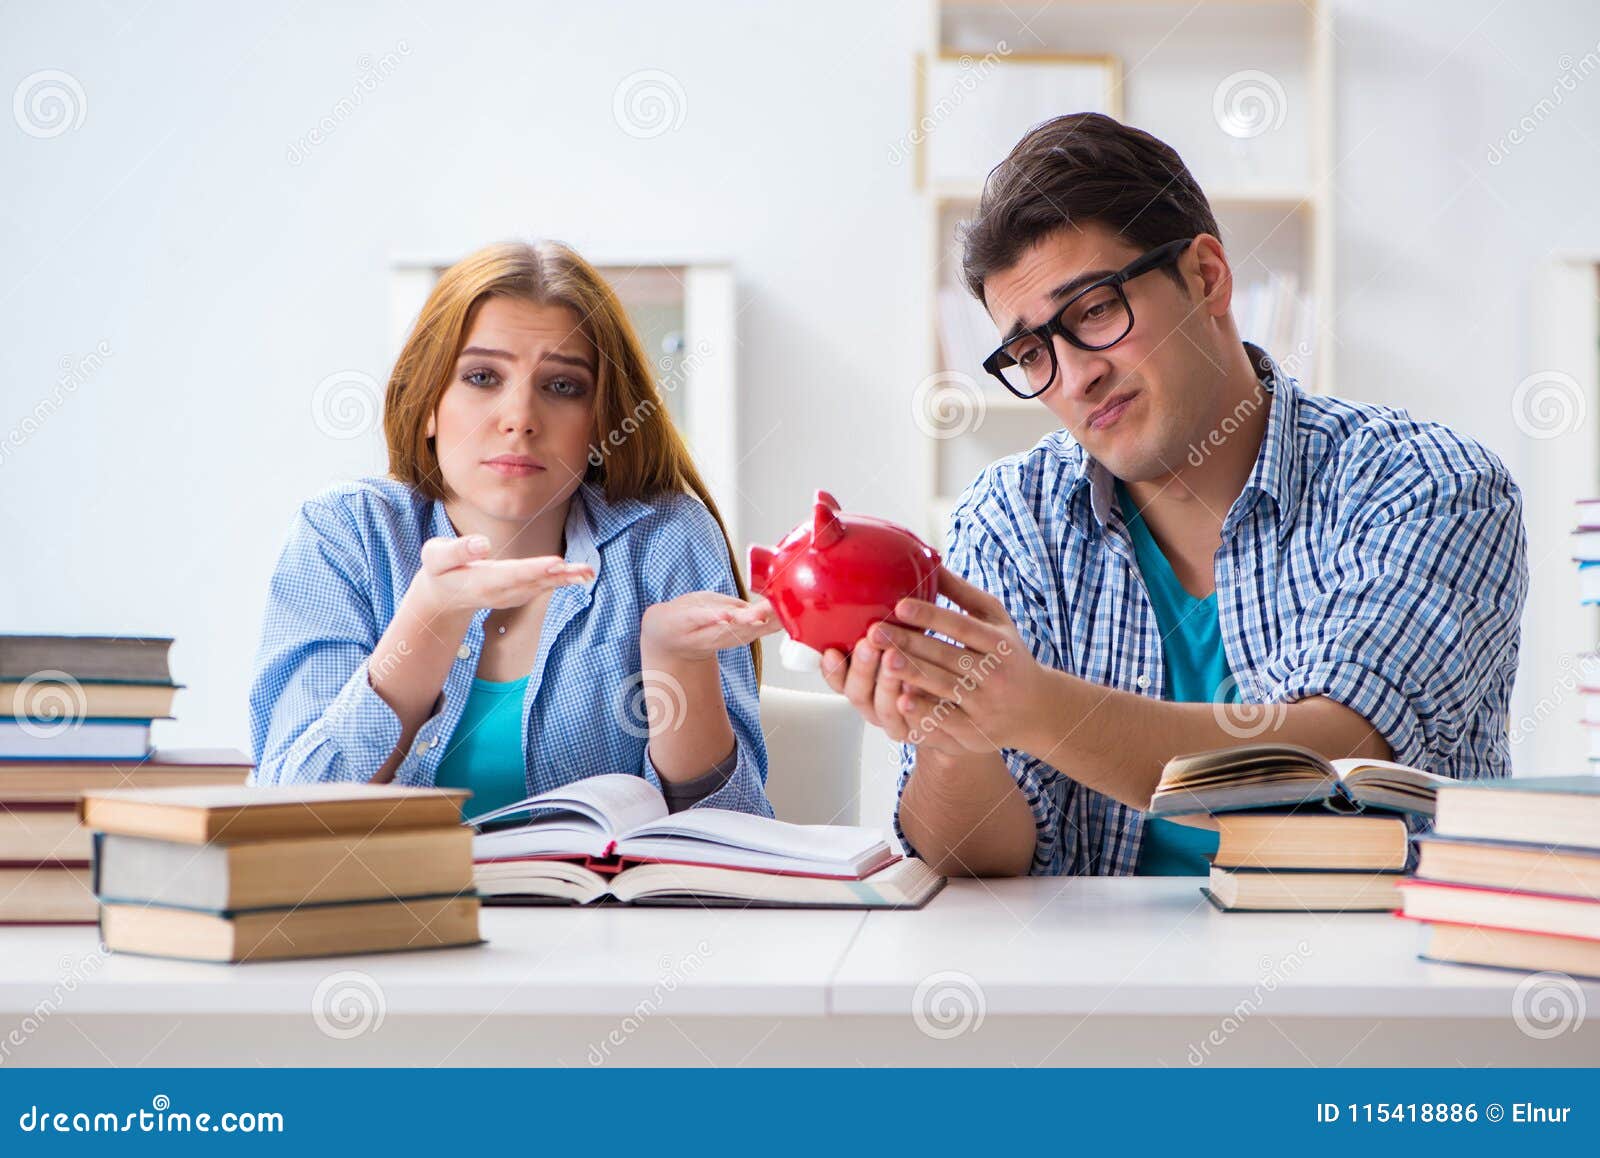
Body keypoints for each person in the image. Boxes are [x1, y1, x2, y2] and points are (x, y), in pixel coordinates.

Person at [822, 113, 1527, 877]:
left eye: (1093, 310)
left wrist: (1033, 708)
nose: (1076, 375)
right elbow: (973, 864)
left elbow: (1335, 773)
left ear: (1207, 277)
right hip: (1095, 992)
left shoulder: (1433, 486)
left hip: (1365, 984)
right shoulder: (1009, 520)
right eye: (1032, 353)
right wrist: (955, 740)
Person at [249, 241, 777, 818]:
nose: (520, 418)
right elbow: (289, 812)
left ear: (599, 418)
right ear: (427, 403)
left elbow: (736, 833)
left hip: (599, 911)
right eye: (481, 377)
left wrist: (677, 662)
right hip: (392, 910)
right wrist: (430, 618)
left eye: (562, 386)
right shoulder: (344, 533)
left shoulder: (665, 536)